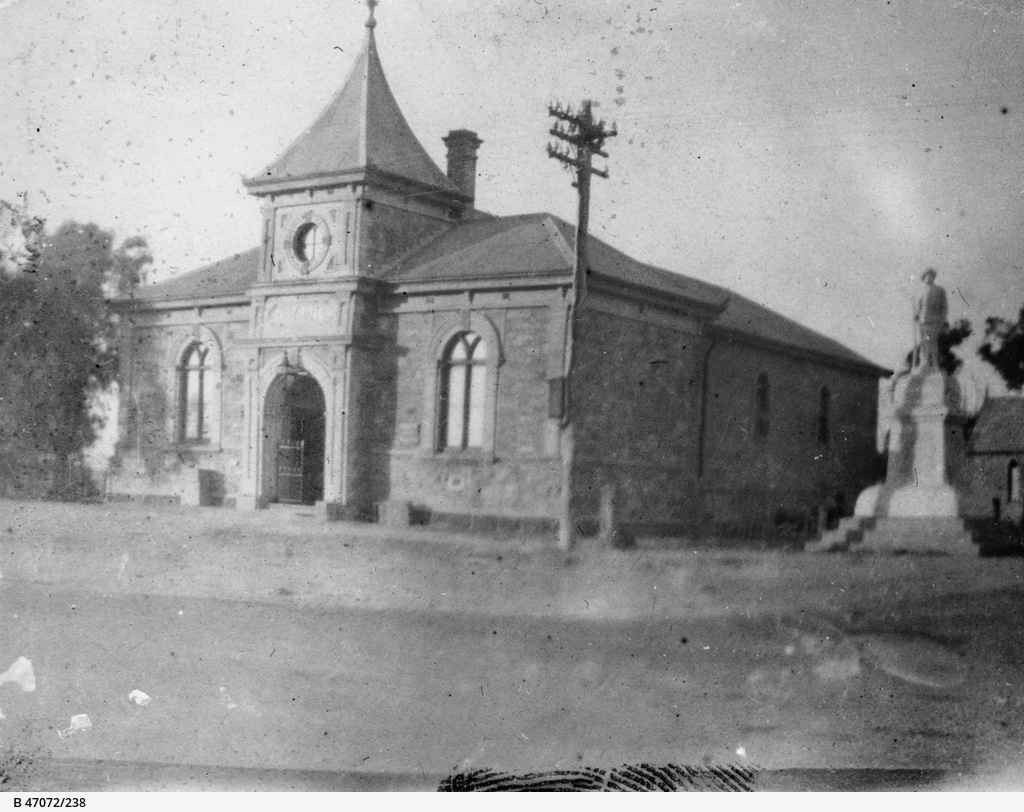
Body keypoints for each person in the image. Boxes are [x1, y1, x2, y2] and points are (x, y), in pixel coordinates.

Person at [913, 268, 947, 369]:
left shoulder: (939, 290)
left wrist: (942, 319)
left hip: (934, 320)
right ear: (924, 278)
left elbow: (944, 307)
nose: (928, 278)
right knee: (924, 342)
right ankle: (924, 363)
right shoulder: (922, 291)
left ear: (933, 277)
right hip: (923, 320)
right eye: (927, 276)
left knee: (932, 342)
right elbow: (919, 306)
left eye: (931, 275)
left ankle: (934, 363)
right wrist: (916, 314)